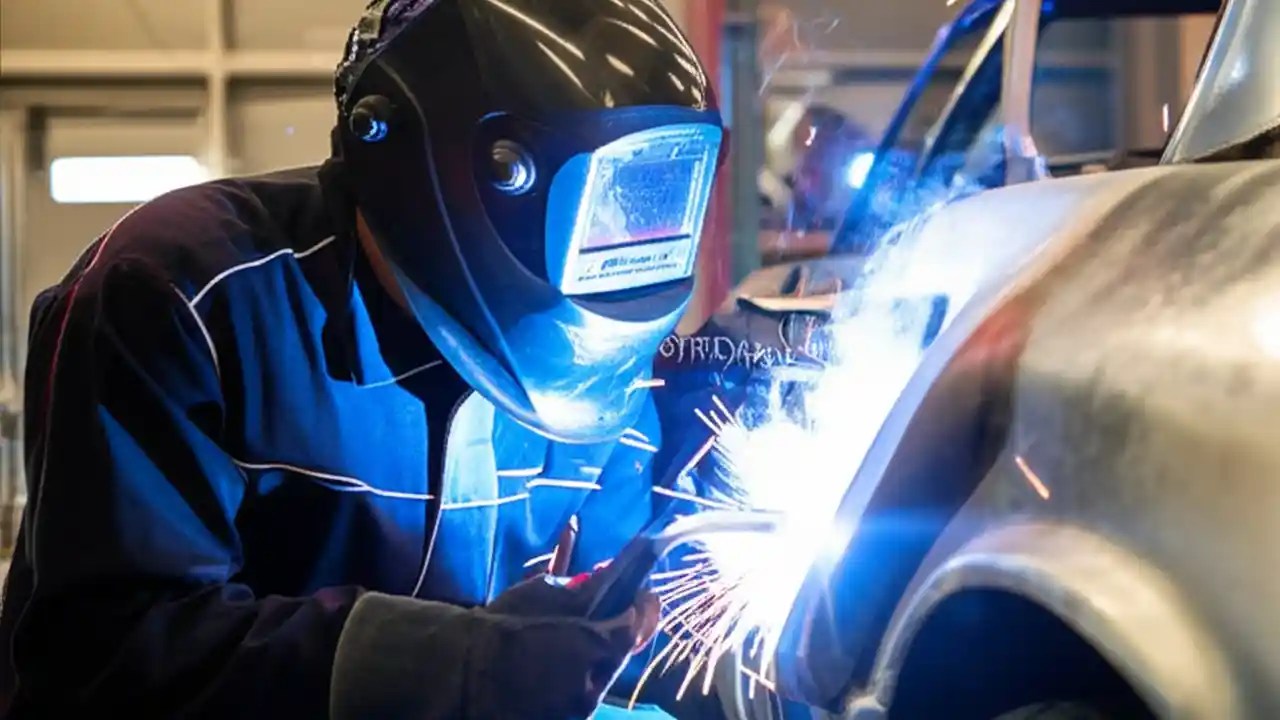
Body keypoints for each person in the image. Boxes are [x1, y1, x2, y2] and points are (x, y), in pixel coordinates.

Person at [0, 1, 726, 718]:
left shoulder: (608, 376)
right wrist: (450, 667)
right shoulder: (186, 297)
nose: (624, 242)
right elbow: (98, 658)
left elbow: (627, 642)